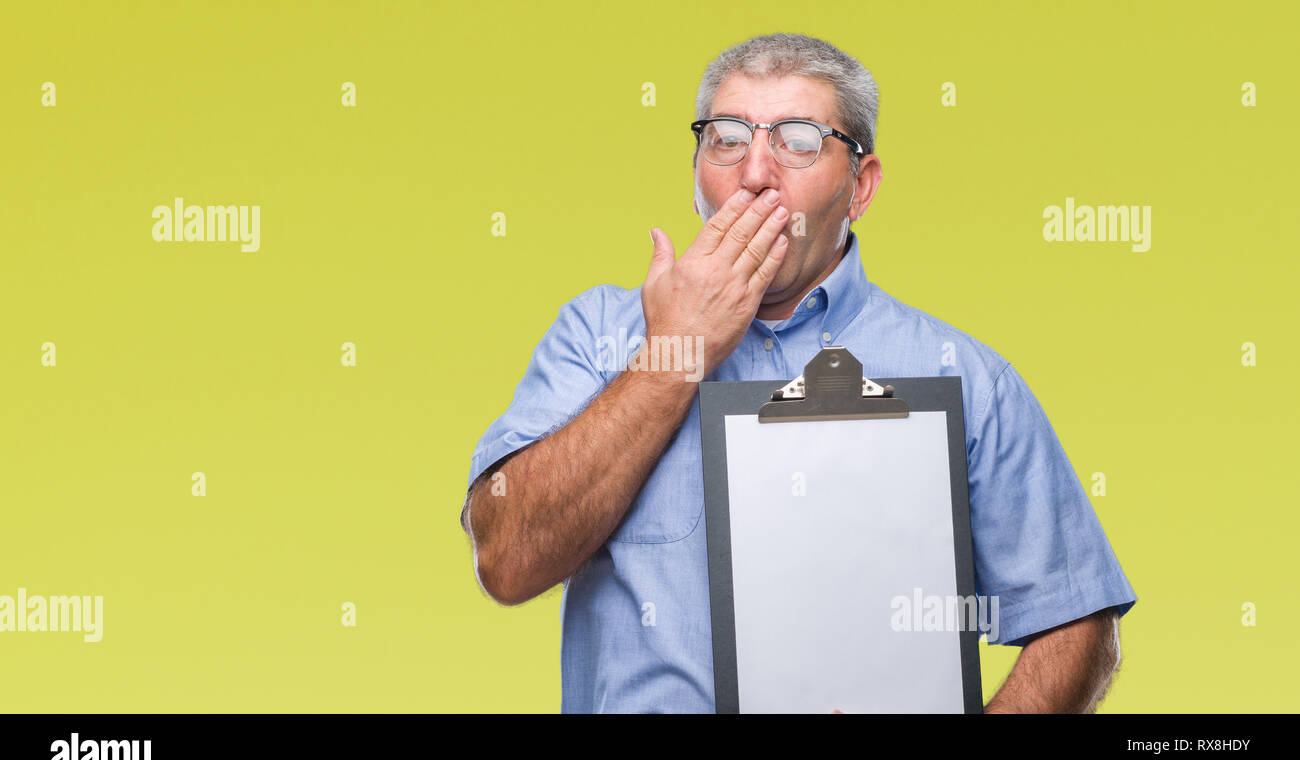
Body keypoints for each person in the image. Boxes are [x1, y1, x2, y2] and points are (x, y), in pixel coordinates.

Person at [459, 32, 1137, 713]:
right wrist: (676, 354)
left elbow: (1075, 620)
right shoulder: (595, 335)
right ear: (695, 167)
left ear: (860, 185)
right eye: (726, 138)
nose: (753, 173)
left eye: (798, 140)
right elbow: (507, 560)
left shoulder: (964, 376)